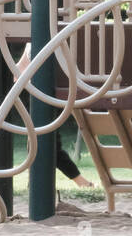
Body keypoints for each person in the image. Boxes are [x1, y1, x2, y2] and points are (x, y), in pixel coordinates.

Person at [16, 44, 93, 188]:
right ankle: (36, 181)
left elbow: (18, 71)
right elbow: (19, 69)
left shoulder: (43, 38)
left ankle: (76, 181)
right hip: (48, 92)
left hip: (50, 92)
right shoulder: (34, 41)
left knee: (44, 141)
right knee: (40, 140)